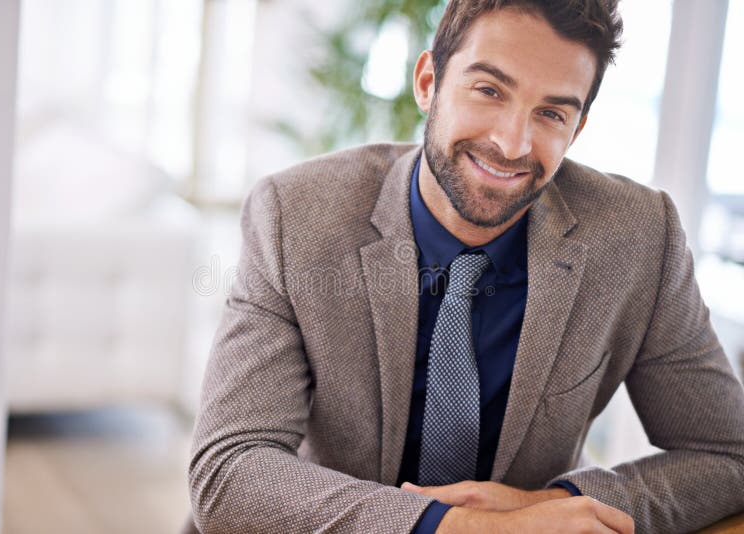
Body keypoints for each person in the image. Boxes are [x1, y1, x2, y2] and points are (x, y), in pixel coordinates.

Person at [186, 1, 744, 532]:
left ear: (577, 128)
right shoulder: (296, 217)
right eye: (488, 90)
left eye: (551, 113)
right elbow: (229, 469)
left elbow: (729, 454)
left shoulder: (639, 238)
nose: (512, 141)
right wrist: (456, 527)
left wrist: (553, 506)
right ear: (428, 82)